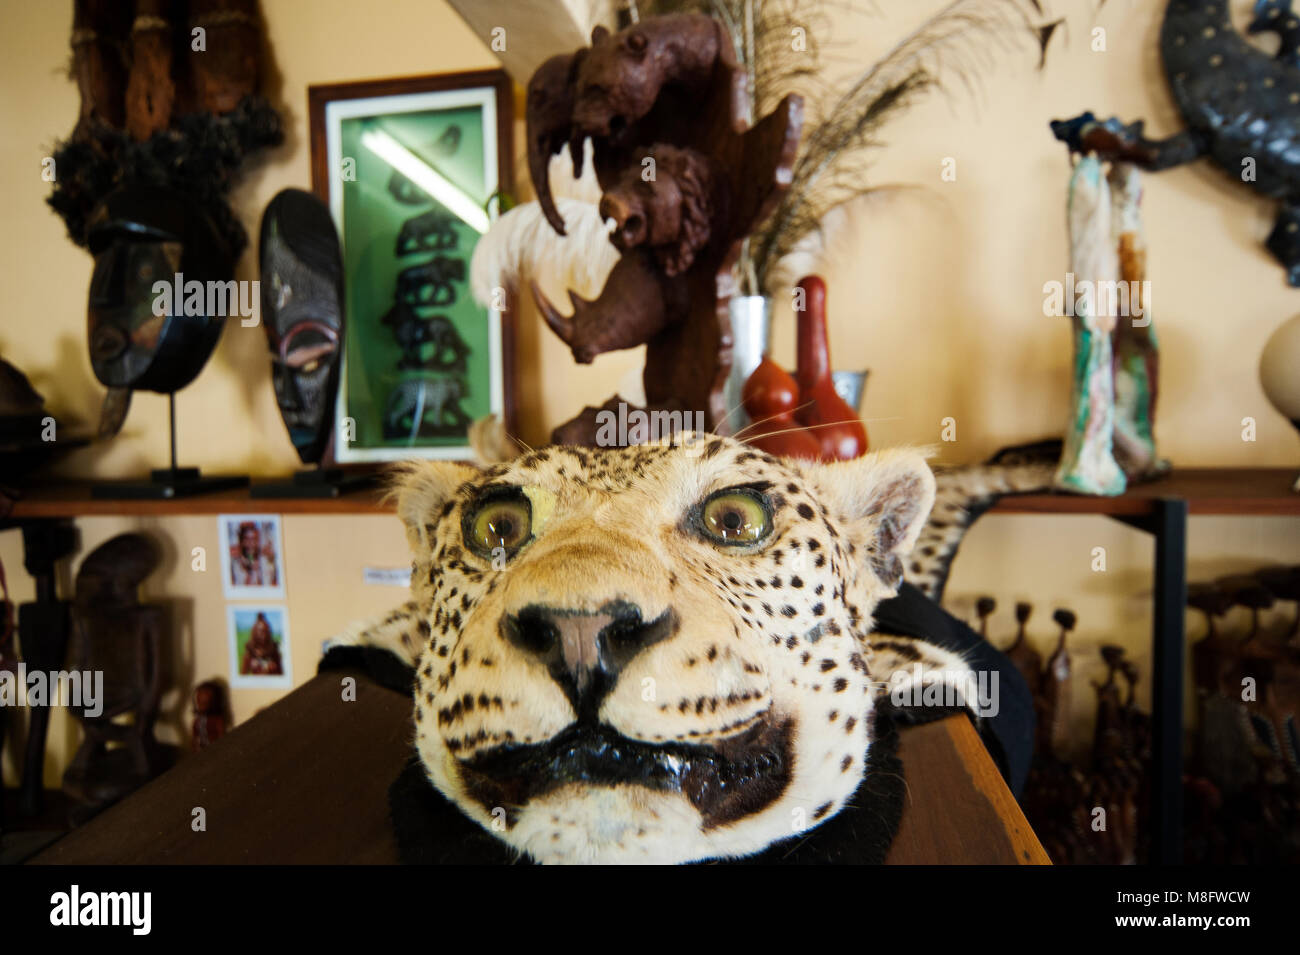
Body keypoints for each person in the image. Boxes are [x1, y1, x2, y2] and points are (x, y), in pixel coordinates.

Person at [231, 521, 277, 587]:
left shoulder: (267, 561)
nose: (251, 543)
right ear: (242, 541)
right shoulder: (236, 563)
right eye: (247, 539)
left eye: (254, 539)